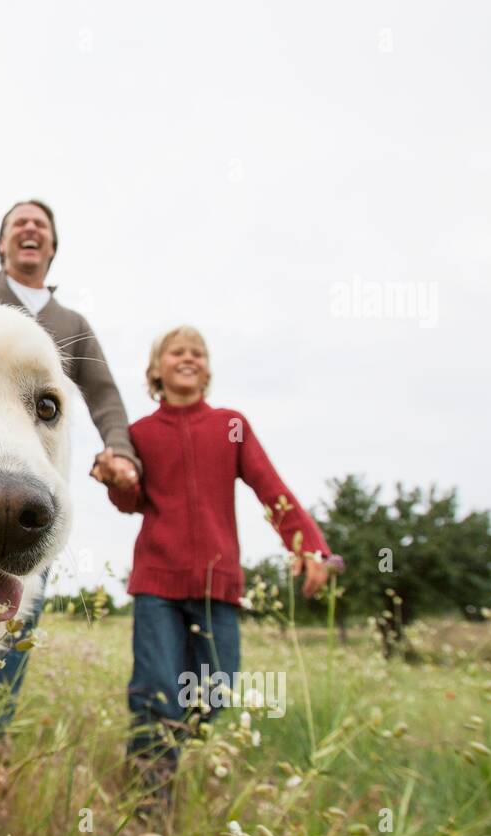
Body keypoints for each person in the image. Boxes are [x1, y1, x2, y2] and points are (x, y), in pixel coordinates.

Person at [108, 325, 330, 798]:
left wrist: (308, 546)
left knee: (215, 691)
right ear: (155, 370)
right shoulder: (140, 433)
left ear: (207, 369)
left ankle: (162, 754)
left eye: (198, 353)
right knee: (157, 688)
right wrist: (116, 478)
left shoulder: (231, 424)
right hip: (156, 584)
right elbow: (130, 502)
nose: (188, 358)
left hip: (218, 584)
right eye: (176, 352)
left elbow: (271, 490)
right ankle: (149, 799)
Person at [0, 198, 141, 740]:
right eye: (18, 224)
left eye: (41, 225)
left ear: (53, 248)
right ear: (2, 245)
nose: (30, 230)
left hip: (33, 493)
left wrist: (120, 450)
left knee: (12, 616)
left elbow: (103, 394)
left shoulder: (71, 324)